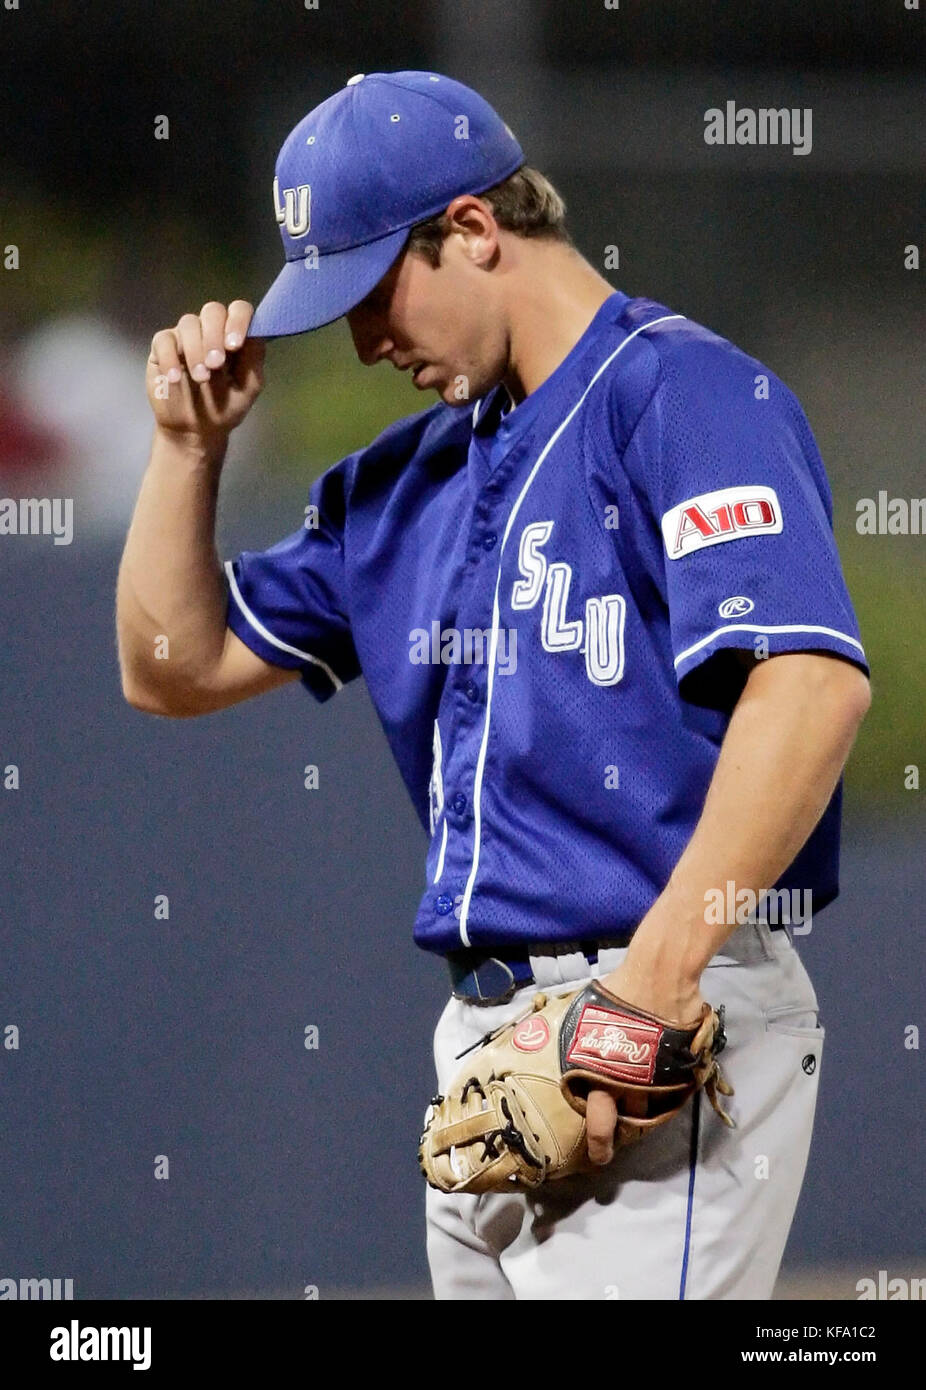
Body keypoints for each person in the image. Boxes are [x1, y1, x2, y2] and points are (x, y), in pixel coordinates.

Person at [118, 71, 871, 1300]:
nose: (362, 340)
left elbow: (809, 687)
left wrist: (652, 985)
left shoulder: (678, 394)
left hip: (659, 1010)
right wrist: (185, 452)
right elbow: (170, 668)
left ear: (471, 230)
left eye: (372, 291)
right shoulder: (407, 481)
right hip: (487, 1044)